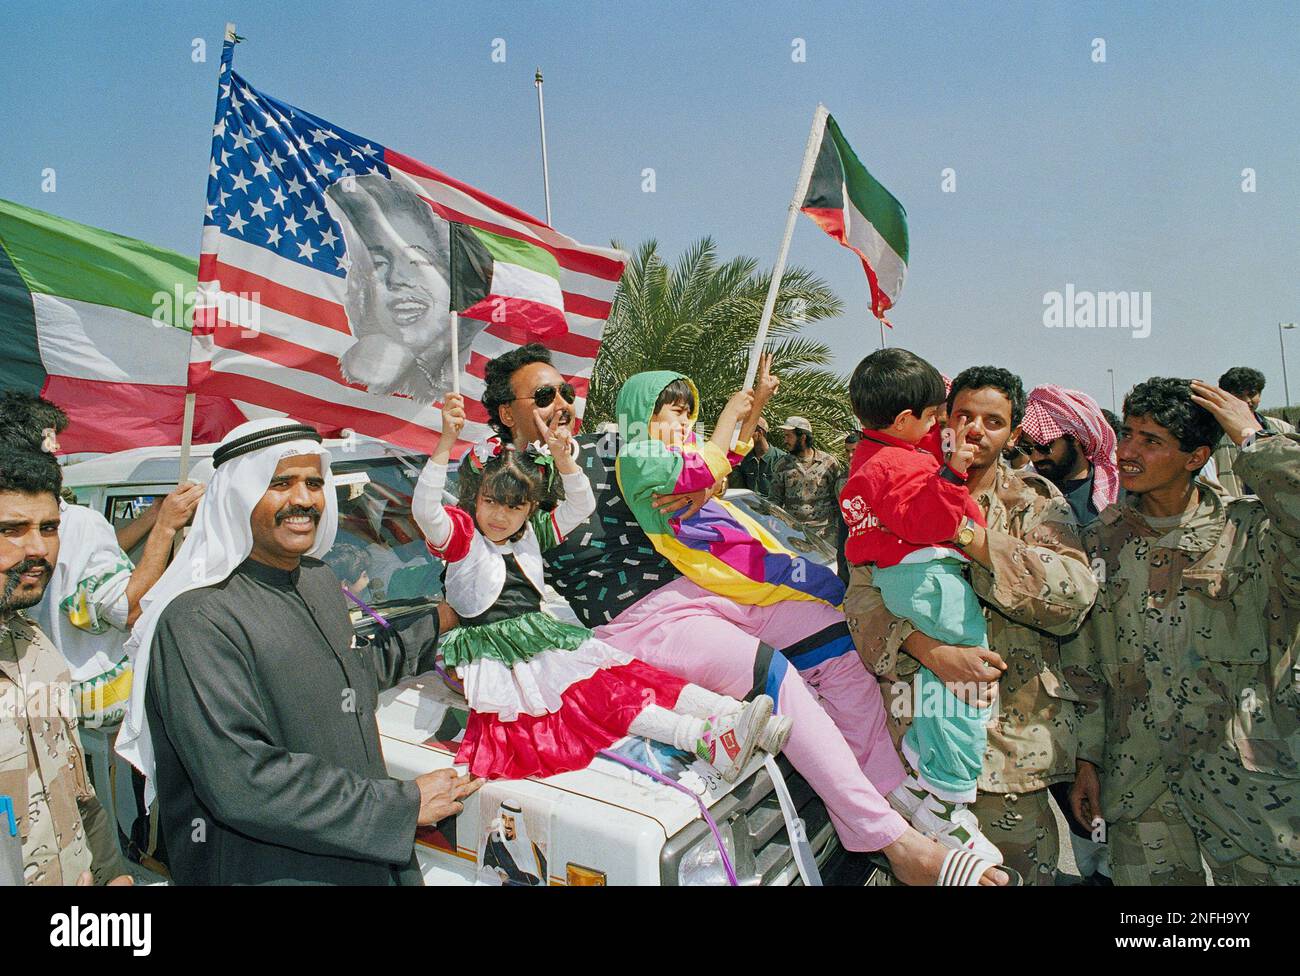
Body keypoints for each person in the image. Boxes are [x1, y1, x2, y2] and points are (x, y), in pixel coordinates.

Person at [472, 343, 1009, 885]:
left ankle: (898, 793)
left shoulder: (610, 443)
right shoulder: (497, 482)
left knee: (832, 633)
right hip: (638, 618)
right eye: (545, 395)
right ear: (505, 411)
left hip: (703, 585)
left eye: (566, 390)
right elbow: (479, 563)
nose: (563, 402)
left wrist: (711, 478)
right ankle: (893, 842)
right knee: (773, 677)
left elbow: (698, 458)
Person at [117, 419, 482, 884]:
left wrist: (442, 621)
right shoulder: (197, 618)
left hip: (361, 855)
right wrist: (400, 805)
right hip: (273, 870)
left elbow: (351, 678)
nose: (305, 499)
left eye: (313, 482)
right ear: (237, 496)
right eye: (281, 483)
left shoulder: (316, 581)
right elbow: (241, 778)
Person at [412, 393, 780, 783]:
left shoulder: (531, 533)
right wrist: (446, 443)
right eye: (490, 502)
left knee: (634, 674)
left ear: (530, 509)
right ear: (475, 499)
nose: (501, 515)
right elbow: (425, 510)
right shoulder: (463, 538)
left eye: (514, 506)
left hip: (540, 639)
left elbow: (581, 504)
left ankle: (731, 716)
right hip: (499, 654)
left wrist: (565, 460)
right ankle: (700, 739)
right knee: (601, 693)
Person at [848, 365, 1098, 885]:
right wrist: (928, 650)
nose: (975, 430)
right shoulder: (900, 485)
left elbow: (1072, 597)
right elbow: (860, 598)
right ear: (941, 417)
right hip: (918, 750)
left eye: (994, 420)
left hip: (1009, 756)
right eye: (963, 415)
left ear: (1014, 431)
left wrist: (969, 538)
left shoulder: (1034, 501)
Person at [1067, 378, 1300, 885]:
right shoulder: (1099, 543)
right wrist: (1087, 759)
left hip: (1250, 782)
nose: (1127, 451)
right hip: (1141, 781)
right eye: (1127, 434)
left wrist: (1255, 442)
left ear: (1196, 456)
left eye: (1151, 441)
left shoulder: (1255, 533)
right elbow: (1084, 667)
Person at [839, 350, 1001, 862]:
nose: (950, 428)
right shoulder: (901, 464)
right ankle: (946, 794)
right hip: (929, 575)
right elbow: (923, 520)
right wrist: (952, 476)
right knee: (969, 682)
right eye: (940, 417)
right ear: (907, 420)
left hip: (907, 579)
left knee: (946, 684)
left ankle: (925, 775)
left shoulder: (874, 452)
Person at [0, 392, 203, 727]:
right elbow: (128, 609)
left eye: (48, 529)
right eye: (50, 446)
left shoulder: (72, 525)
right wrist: (165, 527)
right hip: (98, 703)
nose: (57, 457)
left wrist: (150, 518)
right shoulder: (76, 521)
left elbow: (80, 559)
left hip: (52, 691)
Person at [0, 446, 131, 885]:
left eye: (49, 527)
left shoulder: (36, 648)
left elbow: (76, 790)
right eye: (11, 529)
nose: (38, 548)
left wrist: (111, 873)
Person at [614, 362, 844, 608]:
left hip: (738, 542)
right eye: (677, 412)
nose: (685, 421)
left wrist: (759, 400)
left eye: (687, 413)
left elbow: (728, 455)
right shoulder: (636, 455)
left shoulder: (681, 447)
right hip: (718, 556)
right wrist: (729, 415)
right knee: (825, 589)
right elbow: (706, 467)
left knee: (827, 584)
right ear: (647, 412)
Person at [1016, 383, 1118, 883]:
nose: (1036, 455)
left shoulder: (1117, 497)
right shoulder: (1030, 497)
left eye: (1046, 445)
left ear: (1078, 438)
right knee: (1080, 806)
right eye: (1029, 446)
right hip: (1058, 679)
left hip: (1119, 673)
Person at [325, 173, 481, 401]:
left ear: (452, 276)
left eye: (416, 260)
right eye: (378, 264)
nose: (395, 279)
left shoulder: (485, 375)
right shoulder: (365, 367)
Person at [1020, 385, 1119, 526]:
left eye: (1044, 447)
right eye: (1026, 448)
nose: (1035, 457)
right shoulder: (1022, 490)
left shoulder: (1118, 493)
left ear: (1075, 439)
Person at [1203, 365, 1296, 497]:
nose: (1247, 401)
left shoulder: (1280, 429)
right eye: (1239, 395)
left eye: (1252, 394)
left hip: (1274, 507)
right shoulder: (1210, 433)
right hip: (1232, 508)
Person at [770, 416, 843, 539]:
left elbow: (838, 498)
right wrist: (773, 521)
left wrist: (837, 527)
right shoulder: (782, 465)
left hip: (825, 533)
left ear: (802, 437)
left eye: (789, 436)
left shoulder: (828, 462)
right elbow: (775, 499)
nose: (785, 440)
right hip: (793, 533)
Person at [730, 415, 787, 496]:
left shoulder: (781, 458)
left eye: (748, 432)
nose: (744, 435)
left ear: (760, 433)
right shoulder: (743, 458)